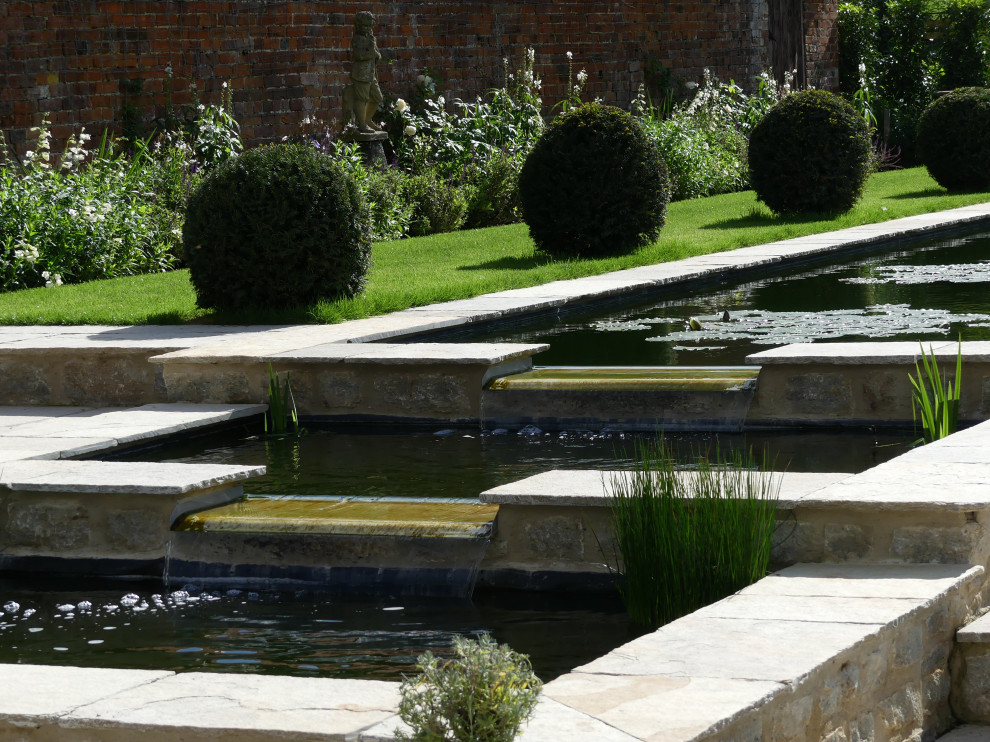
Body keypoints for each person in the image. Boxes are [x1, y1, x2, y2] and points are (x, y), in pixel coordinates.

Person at [342, 11, 383, 133]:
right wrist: (372, 51)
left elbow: (377, 54)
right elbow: (359, 56)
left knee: (377, 97)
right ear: (358, 25)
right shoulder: (358, 39)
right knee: (362, 99)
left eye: (370, 26)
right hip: (361, 74)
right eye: (365, 26)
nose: (368, 28)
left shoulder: (370, 37)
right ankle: (361, 124)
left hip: (370, 73)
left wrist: (377, 55)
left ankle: (367, 119)